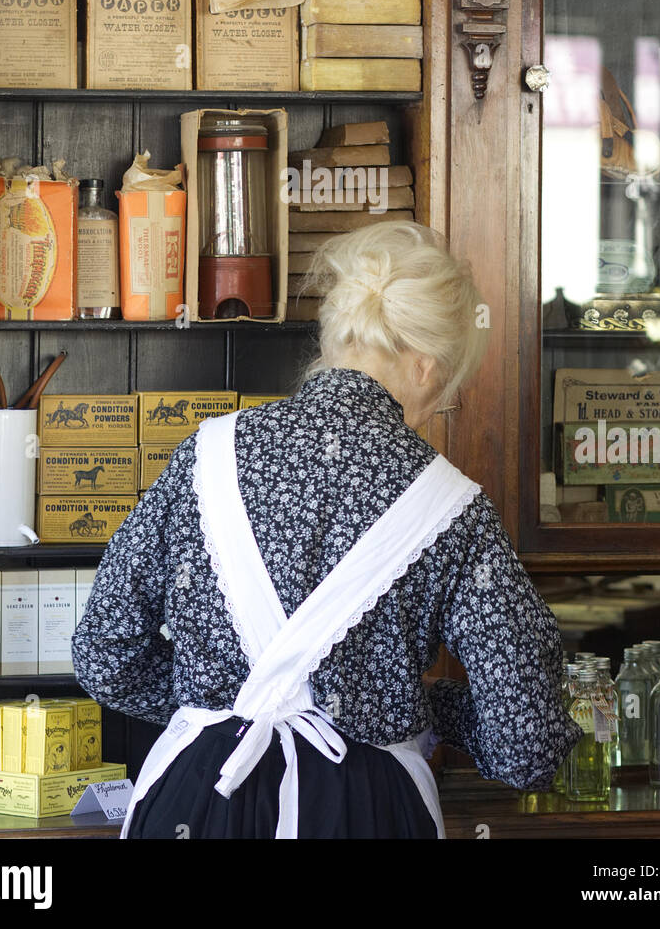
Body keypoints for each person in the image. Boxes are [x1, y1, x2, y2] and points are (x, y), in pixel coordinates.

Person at [71, 220, 580, 839]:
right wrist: (432, 710)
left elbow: (104, 656)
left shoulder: (206, 456)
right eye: (447, 389)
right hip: (363, 809)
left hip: (197, 797)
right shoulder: (452, 508)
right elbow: (526, 744)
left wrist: (216, 706)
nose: (440, 406)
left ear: (337, 339)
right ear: (424, 366)